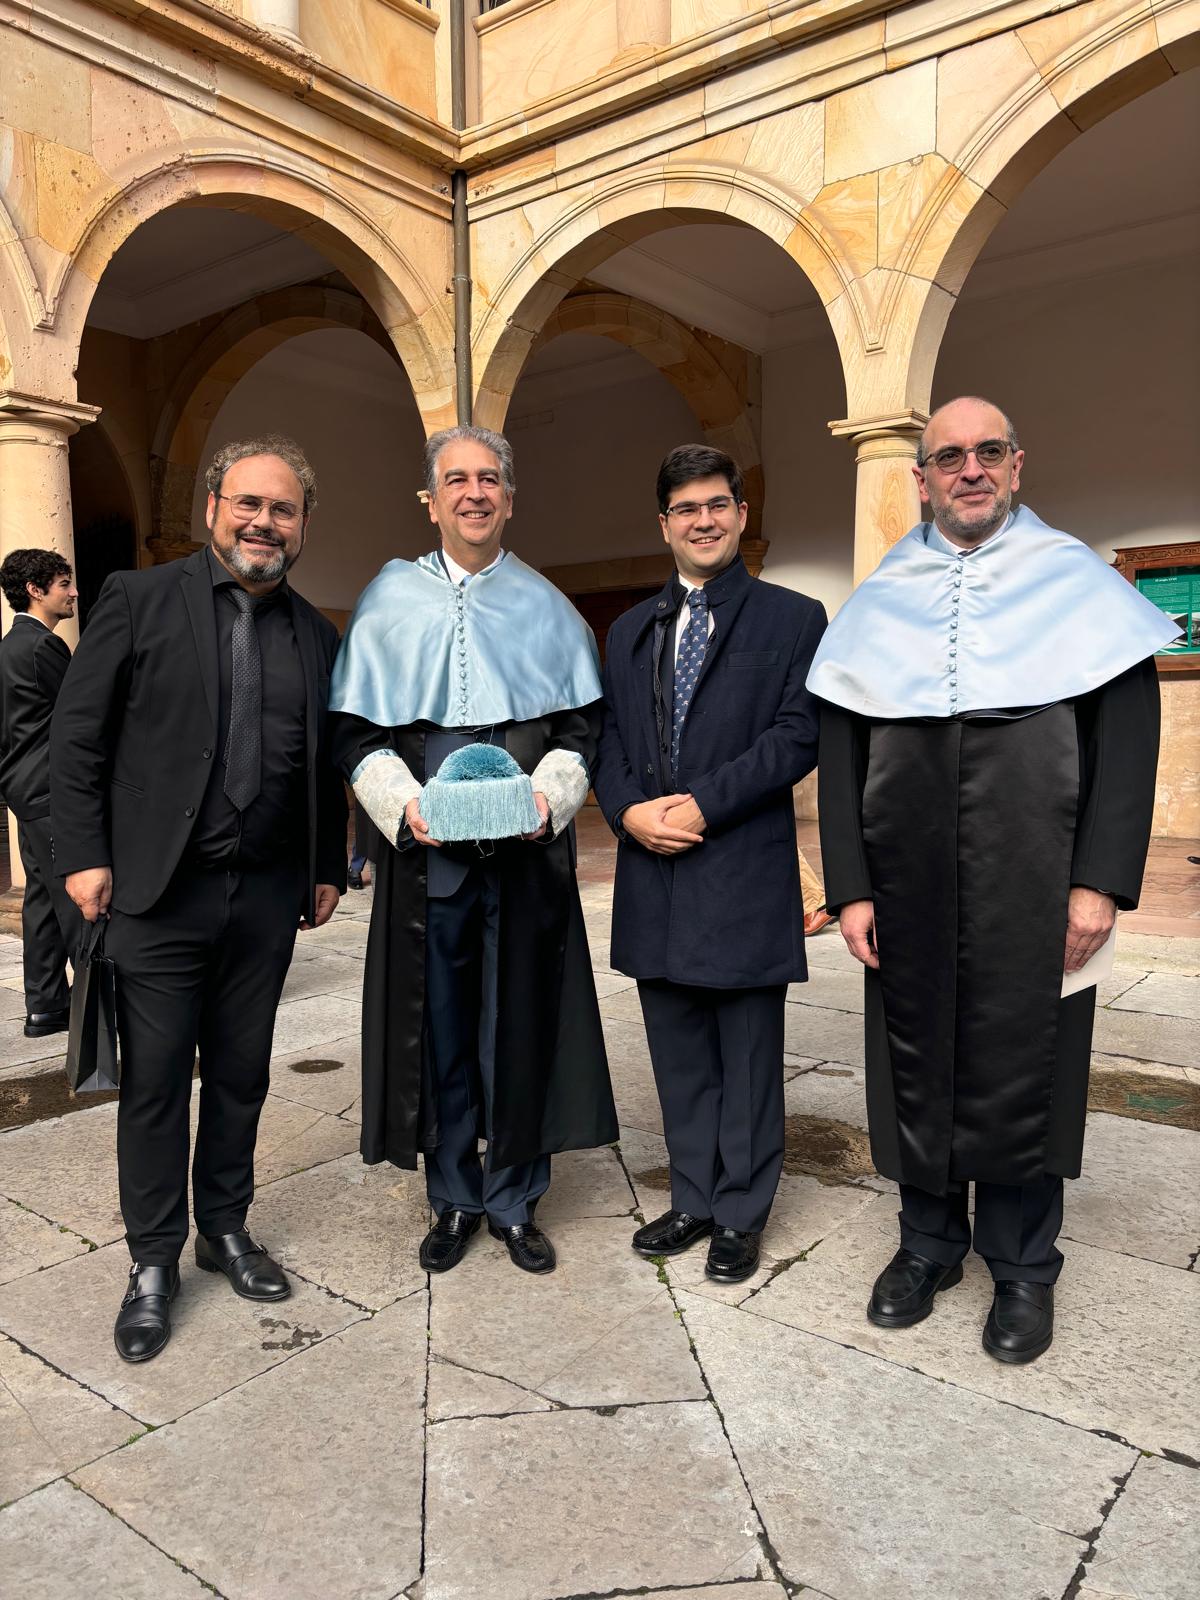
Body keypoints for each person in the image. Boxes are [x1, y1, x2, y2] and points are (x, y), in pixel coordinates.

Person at [809, 396, 1175, 1363]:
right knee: (913, 1057)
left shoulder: (1078, 587)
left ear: (1017, 466)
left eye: (987, 453)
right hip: (905, 873)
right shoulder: (880, 598)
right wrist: (849, 886)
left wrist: (1098, 883)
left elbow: (1129, 746)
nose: (968, 470)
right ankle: (927, 1243)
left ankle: (1022, 1266)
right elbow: (842, 748)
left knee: (1027, 1062)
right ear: (921, 478)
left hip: (1036, 872)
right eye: (948, 457)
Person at [50, 435, 347, 1363]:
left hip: (263, 898)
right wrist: (83, 855)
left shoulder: (314, 631)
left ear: (303, 524)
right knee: (153, 1085)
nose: (265, 523)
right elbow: (77, 738)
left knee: (243, 1074)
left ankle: (225, 1229)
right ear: (212, 508)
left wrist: (326, 862)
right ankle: (151, 1262)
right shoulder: (137, 601)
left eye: (284, 509)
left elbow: (319, 763)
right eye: (249, 504)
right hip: (156, 893)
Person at [329, 425, 616, 1276]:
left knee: (522, 1022)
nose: (474, 493)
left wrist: (551, 797)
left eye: (489, 478)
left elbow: (579, 727)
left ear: (510, 497)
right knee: (440, 1028)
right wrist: (404, 809)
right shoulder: (388, 598)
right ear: (431, 500)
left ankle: (516, 1197)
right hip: (429, 860)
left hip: (527, 856)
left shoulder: (546, 602)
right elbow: (355, 731)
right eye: (456, 480)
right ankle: (454, 1194)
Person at [594, 444, 827, 1282]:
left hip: (740, 867)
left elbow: (798, 734)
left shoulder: (793, 618)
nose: (704, 520)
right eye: (687, 508)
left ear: (740, 514)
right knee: (678, 1050)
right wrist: (625, 811)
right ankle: (692, 1196)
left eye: (718, 504)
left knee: (748, 1053)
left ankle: (741, 1212)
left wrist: (703, 804)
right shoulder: (626, 630)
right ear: (665, 523)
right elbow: (608, 738)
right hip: (653, 870)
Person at [0, 549, 80, 1037]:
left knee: (43, 901)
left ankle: (46, 1006)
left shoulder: (10, 646)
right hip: (51, 793)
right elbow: (79, 720)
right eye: (64, 583)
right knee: (76, 899)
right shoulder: (41, 648)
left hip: (25, 792)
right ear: (35, 589)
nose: (72, 593)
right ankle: (94, 1007)